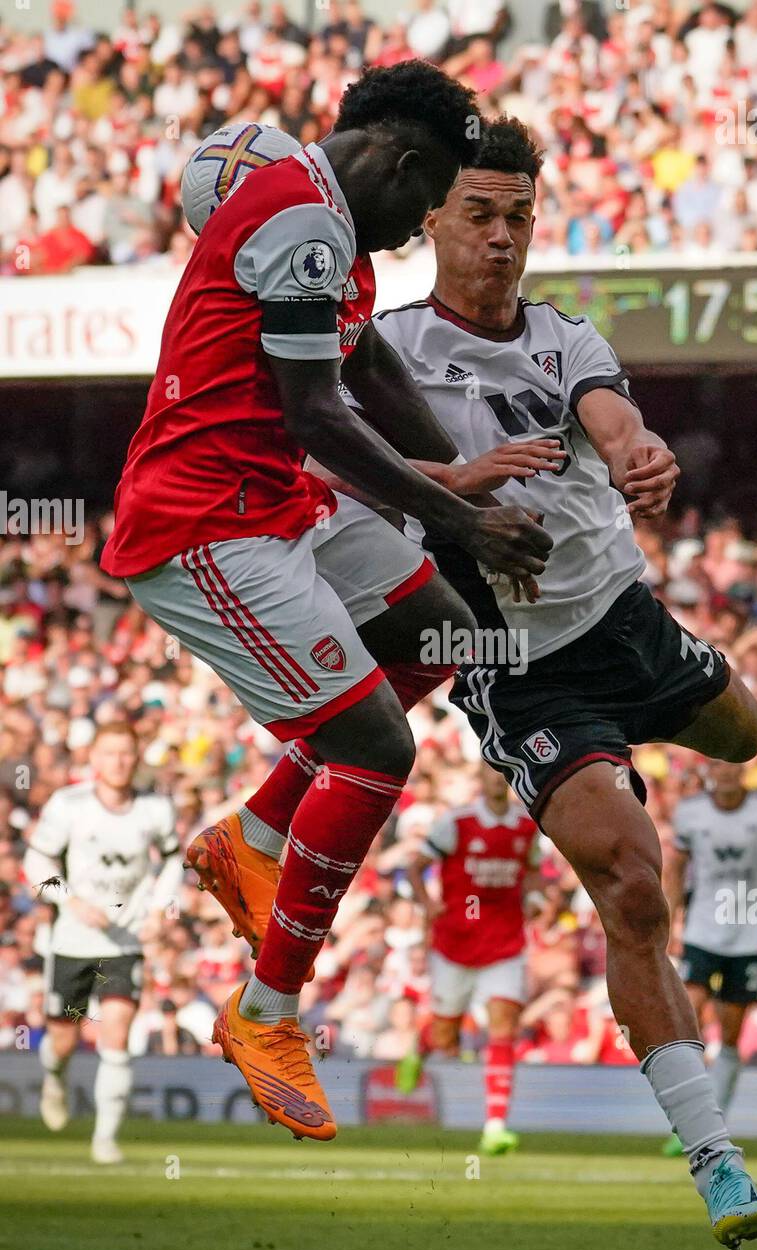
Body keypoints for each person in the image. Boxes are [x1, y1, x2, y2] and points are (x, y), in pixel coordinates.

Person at [99, 65, 552, 1144]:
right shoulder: (307, 221)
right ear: (402, 165)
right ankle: (268, 1012)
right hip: (207, 522)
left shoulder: (319, 217)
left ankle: (253, 837)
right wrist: (462, 511)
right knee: (377, 746)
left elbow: (369, 361)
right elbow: (319, 415)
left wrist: (469, 475)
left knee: (448, 630)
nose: (419, 230)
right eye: (429, 201)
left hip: (278, 503)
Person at [363, 117, 757, 1250]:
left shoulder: (564, 336)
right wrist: (453, 487)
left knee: (747, 736)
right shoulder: (386, 348)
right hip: (521, 670)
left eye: (519, 218)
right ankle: (717, 1159)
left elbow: (611, 412)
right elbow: (343, 470)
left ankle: (675, 718)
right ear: (433, 219)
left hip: (628, 622)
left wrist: (637, 449)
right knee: (634, 886)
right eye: (480, 216)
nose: (501, 239)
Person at [23, 722, 181, 1164]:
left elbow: (173, 861)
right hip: (72, 941)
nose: (119, 762)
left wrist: (159, 911)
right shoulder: (68, 805)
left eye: (127, 753)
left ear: (136, 757)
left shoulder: (155, 809)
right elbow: (37, 857)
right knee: (64, 1041)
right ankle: (54, 1077)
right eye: (109, 753)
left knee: (116, 1031)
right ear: (93, 758)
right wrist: (69, 900)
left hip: (125, 941)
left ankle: (105, 1139)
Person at [663, 760, 757, 1155]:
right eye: (718, 765)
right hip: (703, 932)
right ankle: (688, 1121)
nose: (724, 773)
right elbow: (676, 870)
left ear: (743, 770)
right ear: (709, 770)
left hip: (748, 936)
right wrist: (672, 922)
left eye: (732, 765)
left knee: (732, 1033)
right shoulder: (691, 812)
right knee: (688, 1020)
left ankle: (713, 1125)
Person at [405, 765, 540, 1154]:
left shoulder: (526, 826)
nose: (498, 780)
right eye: (491, 774)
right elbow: (415, 867)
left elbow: (532, 872)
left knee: (503, 1027)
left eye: (503, 774)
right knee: (447, 1036)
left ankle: (495, 1126)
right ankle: (422, 1046)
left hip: (504, 944)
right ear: (481, 781)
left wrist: (533, 898)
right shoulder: (456, 822)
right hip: (455, 944)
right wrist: (429, 904)